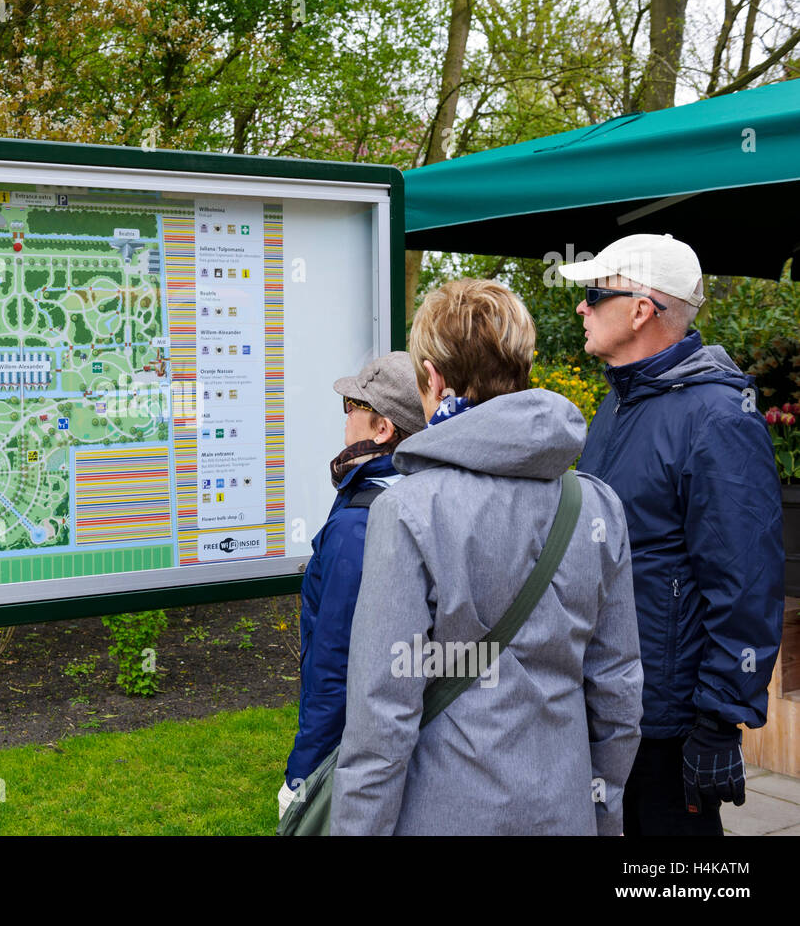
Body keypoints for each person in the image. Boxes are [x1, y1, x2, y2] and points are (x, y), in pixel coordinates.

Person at [330, 278, 643, 835]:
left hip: (446, 813)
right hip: (563, 809)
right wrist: (601, 810)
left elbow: (381, 719)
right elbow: (617, 689)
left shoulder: (407, 511)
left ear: (431, 379)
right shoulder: (596, 504)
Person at [562, 233, 785, 836]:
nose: (581, 307)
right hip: (608, 704)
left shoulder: (716, 418)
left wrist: (719, 721)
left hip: (669, 724)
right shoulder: (617, 406)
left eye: (593, 294)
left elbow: (746, 581)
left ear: (640, 309)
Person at [278, 351, 427, 821]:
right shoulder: (423, 494)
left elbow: (335, 663)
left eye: (352, 409)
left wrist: (301, 778)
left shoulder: (358, 525)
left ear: (382, 430)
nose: (344, 422)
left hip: (359, 745)